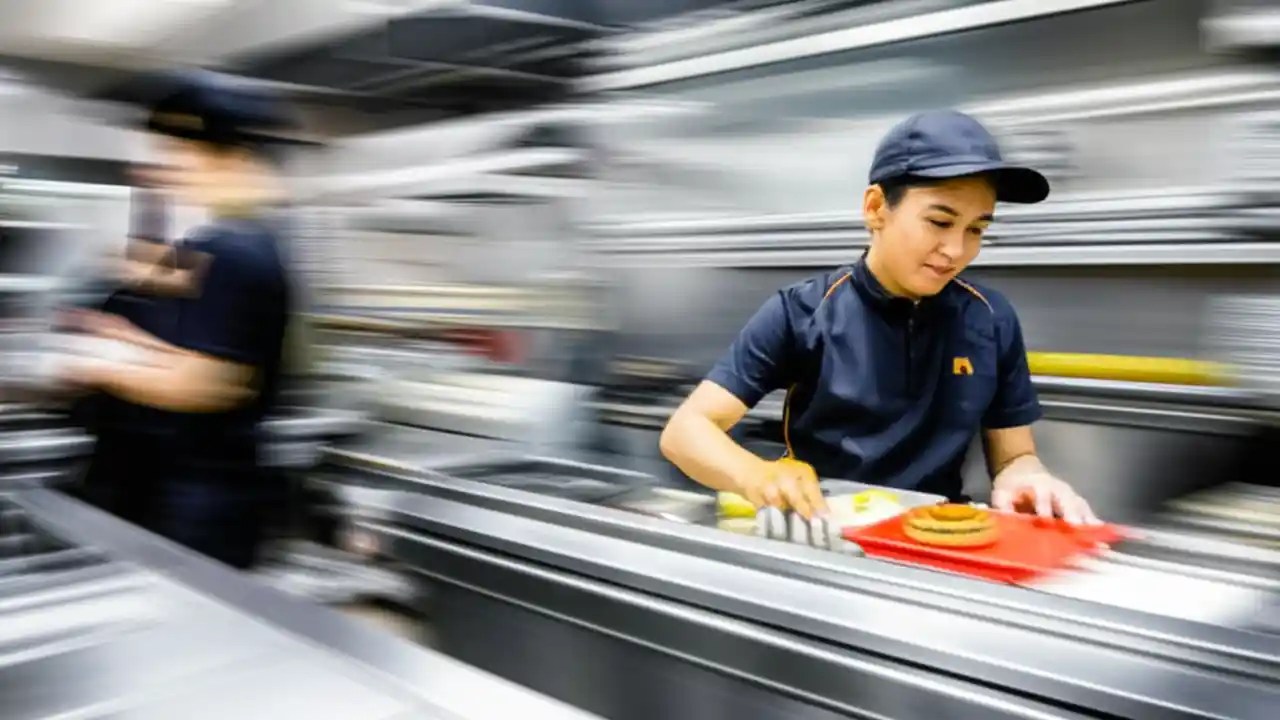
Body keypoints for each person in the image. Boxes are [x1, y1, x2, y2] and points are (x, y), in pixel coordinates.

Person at [660, 110, 1097, 525]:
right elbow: (686, 432)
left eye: (976, 229)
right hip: (827, 532)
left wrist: (1026, 477)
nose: (956, 250)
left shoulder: (990, 318)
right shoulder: (803, 312)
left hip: (935, 537)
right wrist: (757, 476)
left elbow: (1014, 455)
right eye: (939, 222)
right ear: (875, 208)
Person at [60, 71, 294, 568]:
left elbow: (209, 382)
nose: (167, 167)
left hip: (191, 506)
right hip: (173, 494)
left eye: (179, 151)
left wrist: (99, 364)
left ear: (228, 158)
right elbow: (198, 347)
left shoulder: (236, 249)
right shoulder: (222, 242)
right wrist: (127, 340)